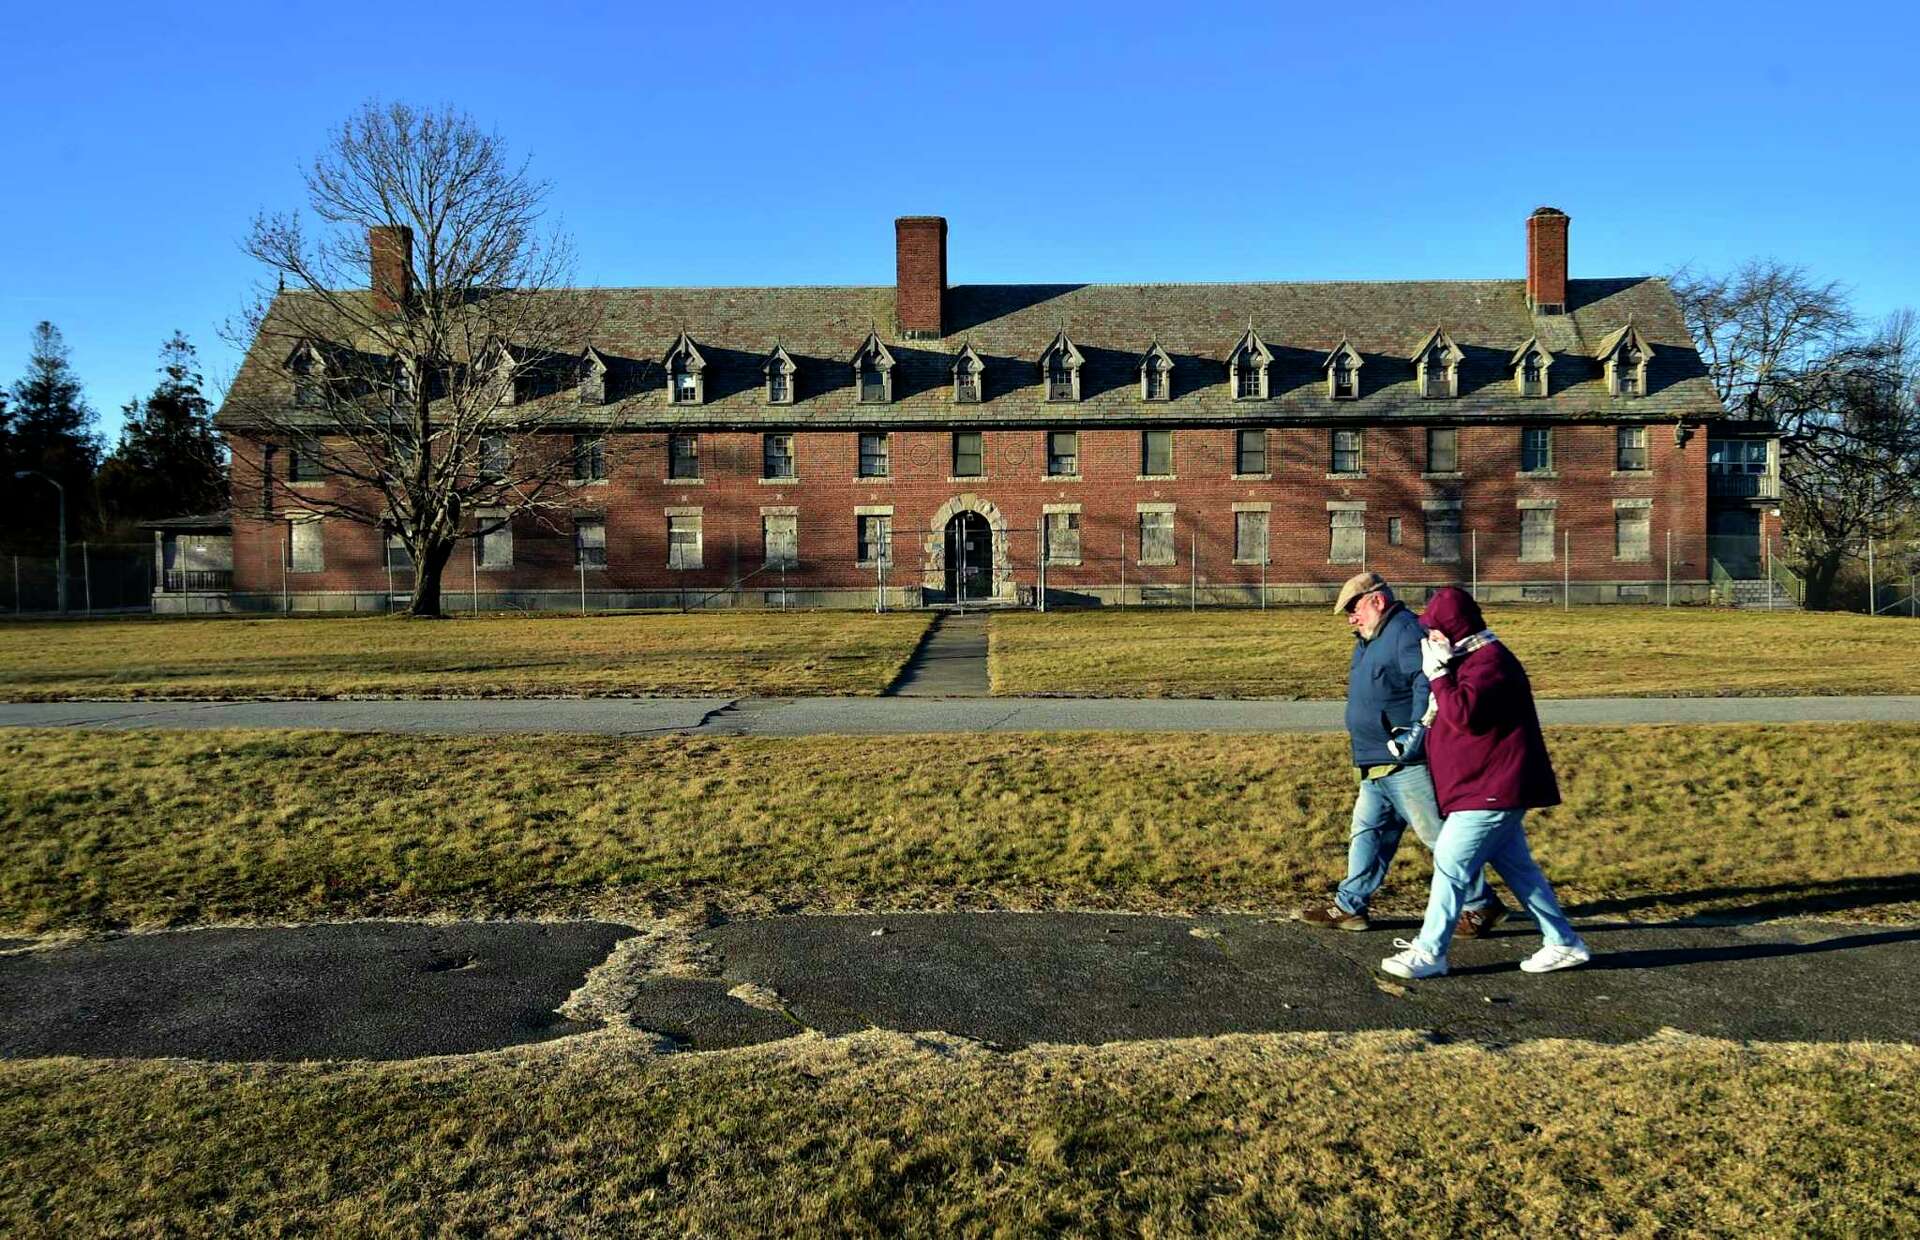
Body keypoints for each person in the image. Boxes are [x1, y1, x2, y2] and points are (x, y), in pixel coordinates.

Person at [1380, 586, 1592, 979]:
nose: (1430, 639)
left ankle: (1429, 951)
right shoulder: (1470, 661)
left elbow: (1465, 715)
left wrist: (1439, 676)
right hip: (1479, 787)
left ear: (1456, 629)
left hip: (1492, 788)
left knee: (1450, 860)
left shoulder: (1491, 663)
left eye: (1436, 631)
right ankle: (1563, 942)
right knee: (1520, 871)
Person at [1297, 572, 1505, 935]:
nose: (1350, 617)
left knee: (1438, 836)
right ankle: (1350, 906)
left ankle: (1481, 905)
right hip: (1375, 762)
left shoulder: (1405, 632)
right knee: (1367, 835)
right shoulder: (1369, 638)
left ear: (1377, 600)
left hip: (1405, 762)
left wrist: (1414, 734)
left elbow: (1427, 681)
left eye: (1354, 608)